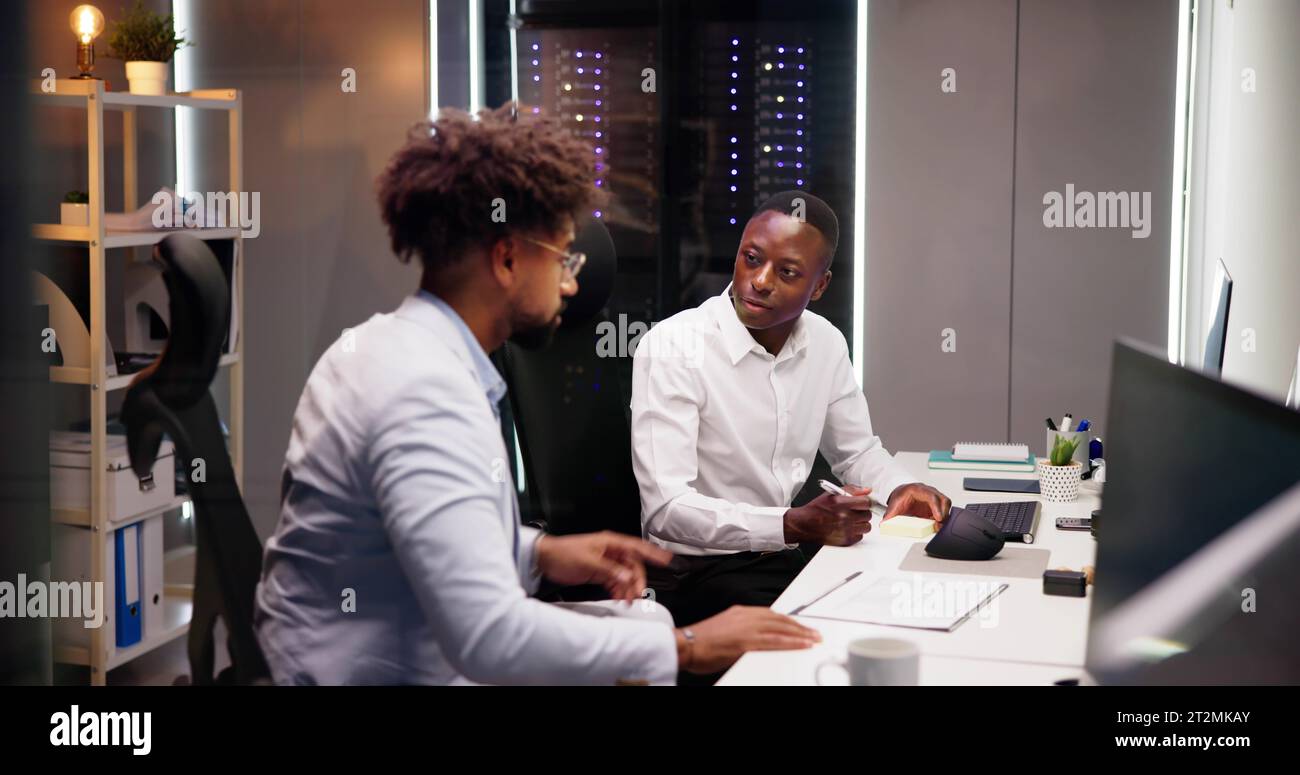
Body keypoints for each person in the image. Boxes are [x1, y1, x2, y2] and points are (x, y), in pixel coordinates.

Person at [253, 107, 819, 685]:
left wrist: (538, 553)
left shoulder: (396, 348)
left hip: (388, 640)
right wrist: (691, 646)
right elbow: (489, 637)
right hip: (366, 670)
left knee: (644, 620)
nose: (572, 283)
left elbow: (416, 534)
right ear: (506, 259)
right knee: (659, 645)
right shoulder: (423, 393)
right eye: (563, 258)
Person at [631, 191, 952, 626]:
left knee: (908, 601)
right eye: (751, 258)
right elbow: (666, 510)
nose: (761, 281)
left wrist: (900, 487)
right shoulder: (674, 347)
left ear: (819, 285)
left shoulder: (825, 342)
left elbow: (856, 452)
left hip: (776, 559)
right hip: (693, 574)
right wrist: (792, 524)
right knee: (842, 631)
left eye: (787, 272)